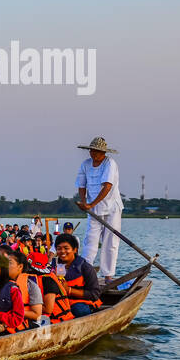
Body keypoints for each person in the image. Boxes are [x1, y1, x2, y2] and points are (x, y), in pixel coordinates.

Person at [76, 136, 123, 281]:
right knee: (90, 240)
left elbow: (107, 186)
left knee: (110, 242)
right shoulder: (85, 164)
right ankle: (84, 274)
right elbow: (82, 186)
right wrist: (85, 203)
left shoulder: (110, 163)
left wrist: (91, 204)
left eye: (96, 151)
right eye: (92, 151)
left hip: (111, 208)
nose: (93, 154)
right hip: (93, 210)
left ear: (103, 153)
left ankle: (108, 275)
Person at [52, 233, 102, 319]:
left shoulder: (86, 268)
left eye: (66, 248)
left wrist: (69, 290)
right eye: (59, 249)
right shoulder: (53, 267)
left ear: (75, 250)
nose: (62, 251)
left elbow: (94, 294)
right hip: (59, 302)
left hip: (79, 303)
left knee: (79, 310)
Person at [0, 247, 44, 327]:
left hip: (22, 324)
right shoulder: (2, 282)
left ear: (20, 266)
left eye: (9, 263)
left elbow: (37, 314)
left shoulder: (31, 285)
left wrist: (14, 313)